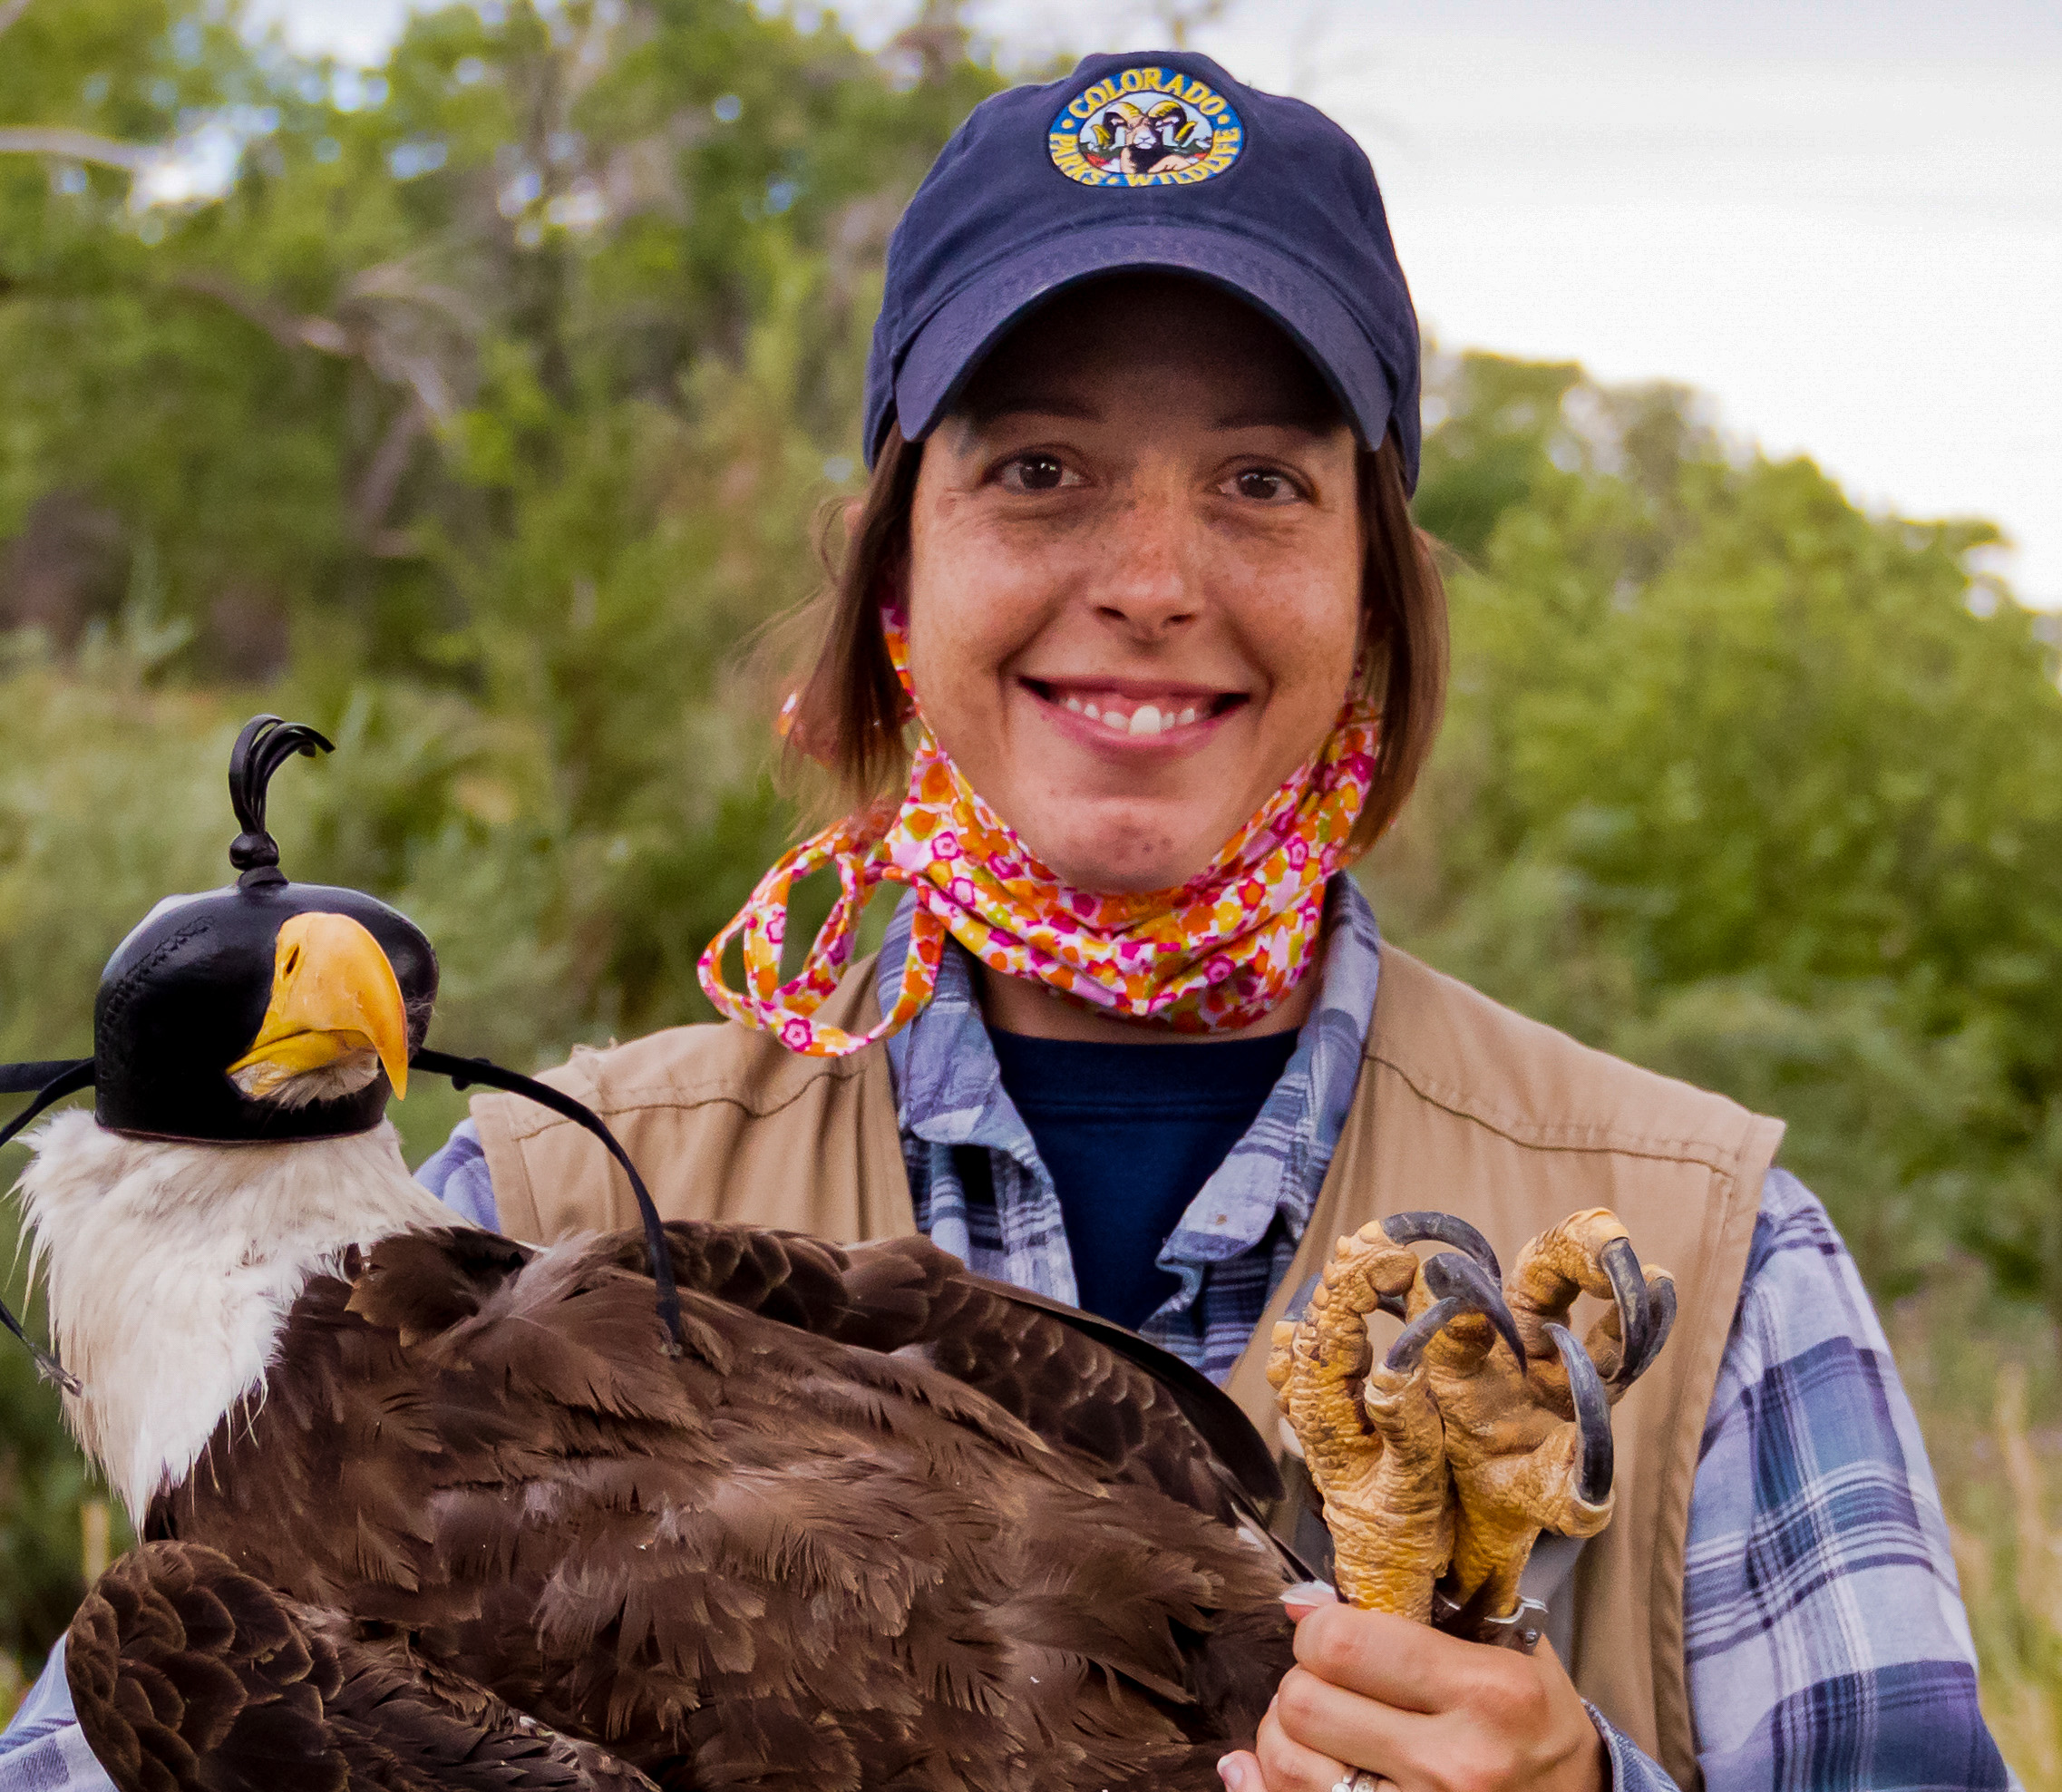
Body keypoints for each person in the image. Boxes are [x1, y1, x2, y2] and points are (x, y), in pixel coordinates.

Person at [1, 48, 2009, 1792]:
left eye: (1257, 483)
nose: (1149, 578)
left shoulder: (1718, 1258)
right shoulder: (507, 1211)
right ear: (901, 571)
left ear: (1374, 600)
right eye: (1040, 470)